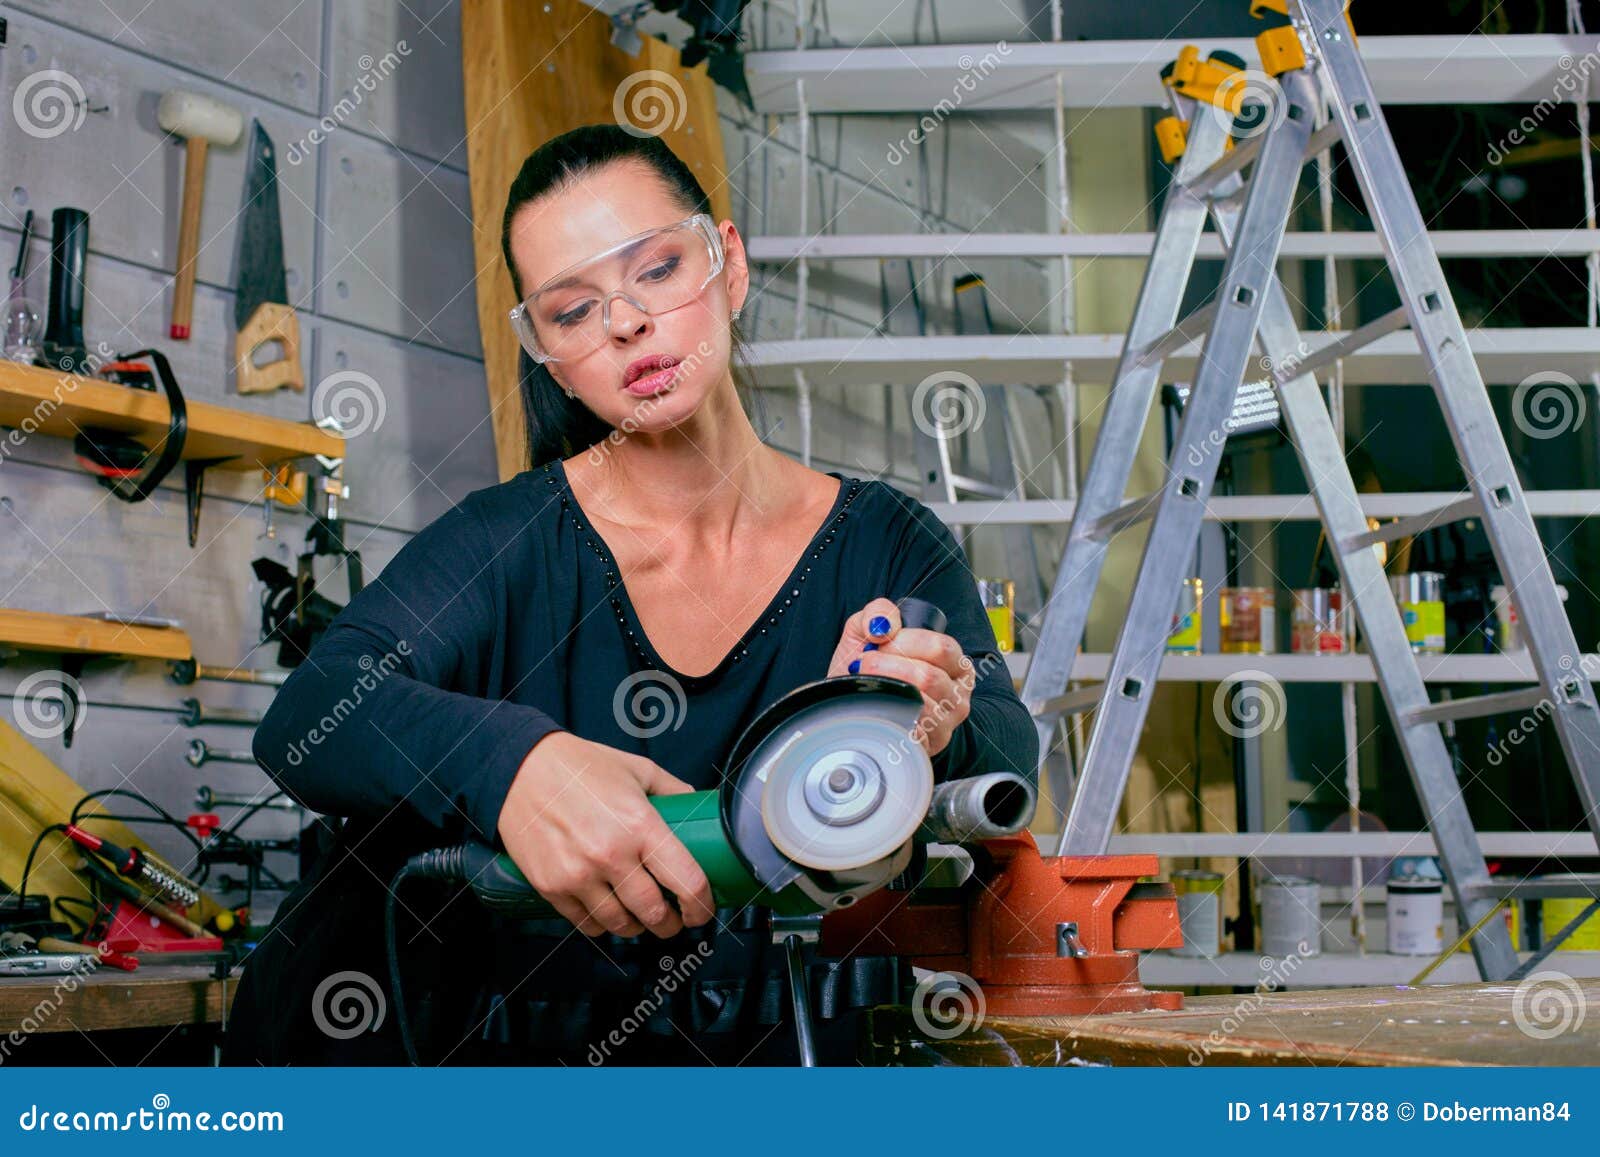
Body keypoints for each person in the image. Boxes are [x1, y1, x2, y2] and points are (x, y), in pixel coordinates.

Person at [223, 123, 1037, 1066]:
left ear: (727, 263)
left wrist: (938, 714)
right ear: (547, 351)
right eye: (572, 313)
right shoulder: (508, 544)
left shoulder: (886, 543)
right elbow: (309, 716)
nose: (625, 323)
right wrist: (513, 765)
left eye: (656, 270)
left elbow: (1010, 752)